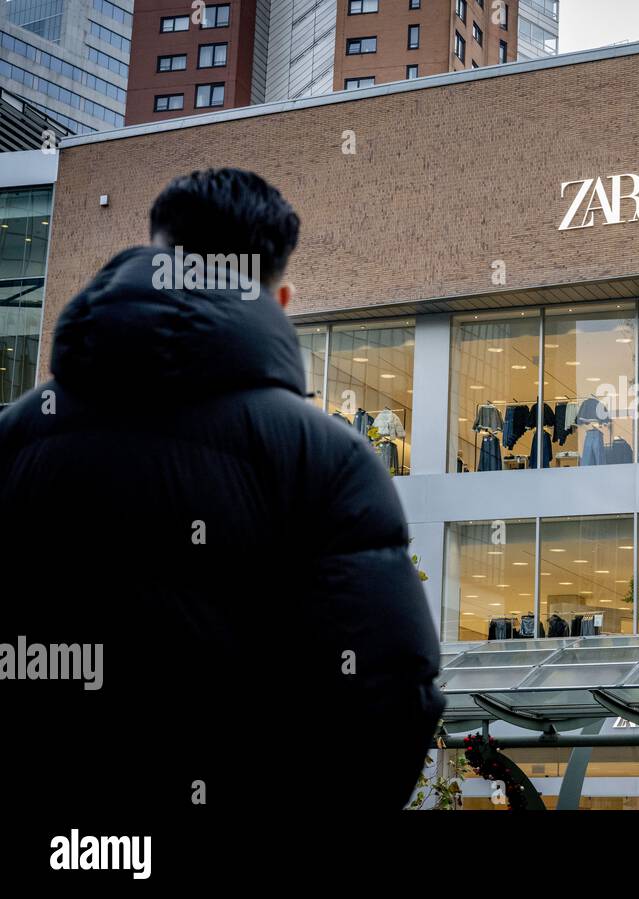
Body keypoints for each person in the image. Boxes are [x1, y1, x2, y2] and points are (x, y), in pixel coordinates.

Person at [0, 168, 443, 812]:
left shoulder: (15, 439)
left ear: (159, 254)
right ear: (280, 299)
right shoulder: (326, 458)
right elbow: (389, 692)